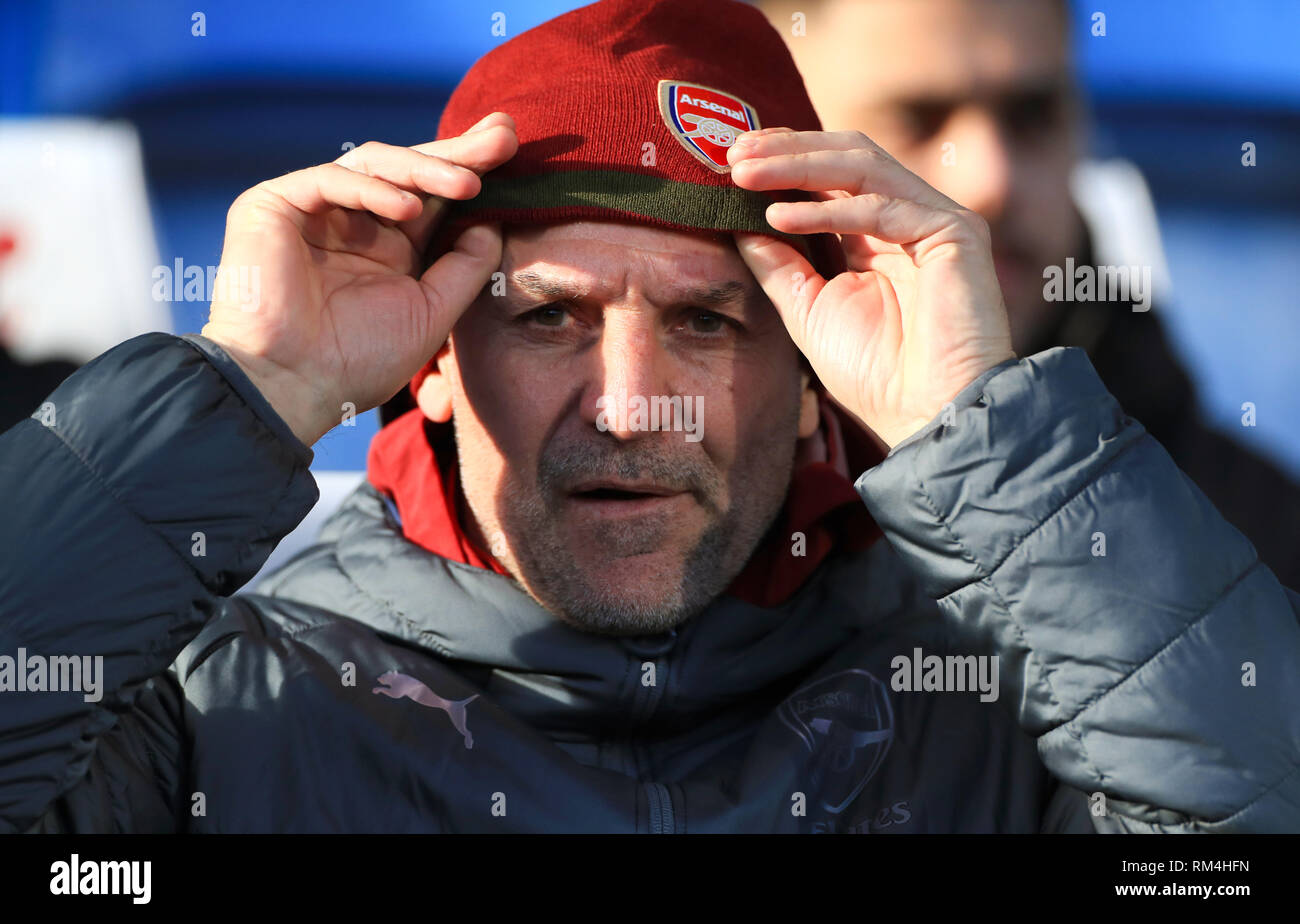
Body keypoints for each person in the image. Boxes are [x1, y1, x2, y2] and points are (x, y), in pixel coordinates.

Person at [1, 0, 1296, 834]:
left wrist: (974, 412)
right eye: (549, 316)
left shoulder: (993, 725)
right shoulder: (212, 726)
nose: (628, 407)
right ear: (432, 361)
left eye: (708, 324)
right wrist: (248, 384)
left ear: (811, 390)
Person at [756, 0, 1300, 591]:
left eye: (1033, 115)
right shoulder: (679, 488)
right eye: (918, 120)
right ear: (772, 143)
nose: (992, 179)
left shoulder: (1254, 534)